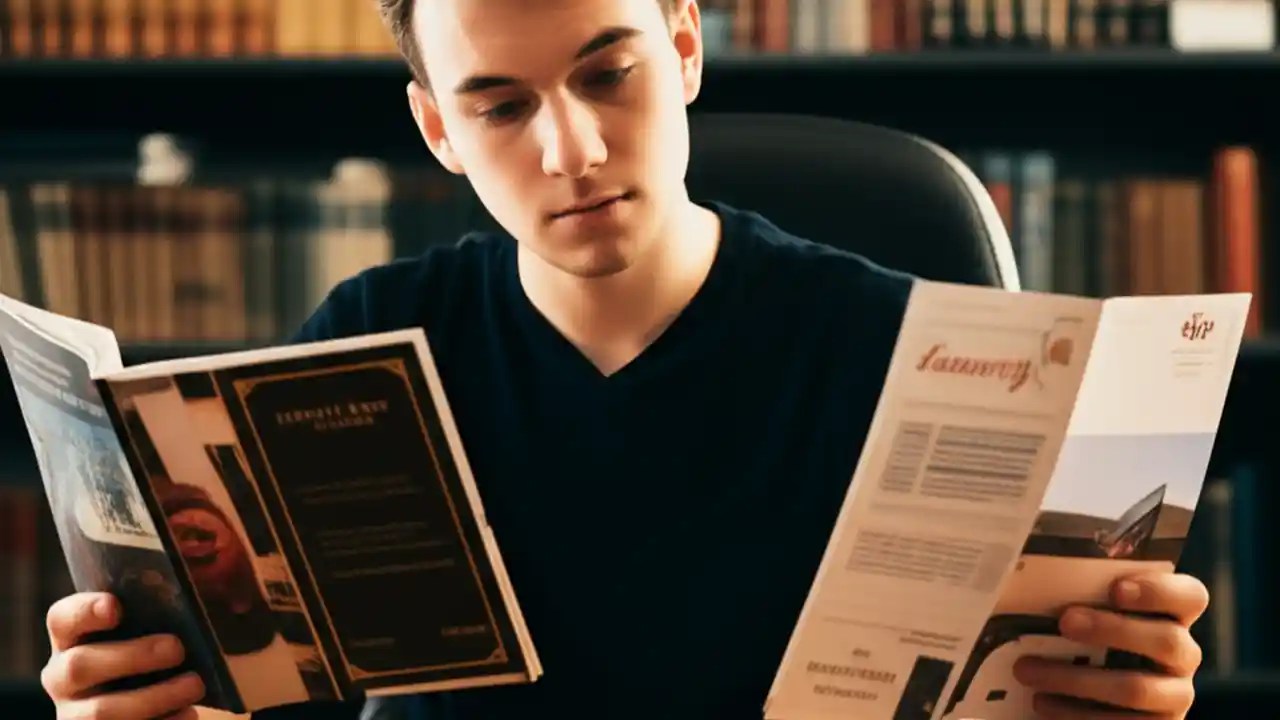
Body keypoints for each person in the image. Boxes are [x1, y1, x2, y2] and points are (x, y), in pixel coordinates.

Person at [40, 1, 1211, 718]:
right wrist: (142, 702)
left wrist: (1119, 690)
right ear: (438, 130)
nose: (573, 150)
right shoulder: (360, 346)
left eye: (608, 74)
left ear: (685, 47)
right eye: (499, 108)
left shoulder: (902, 349)